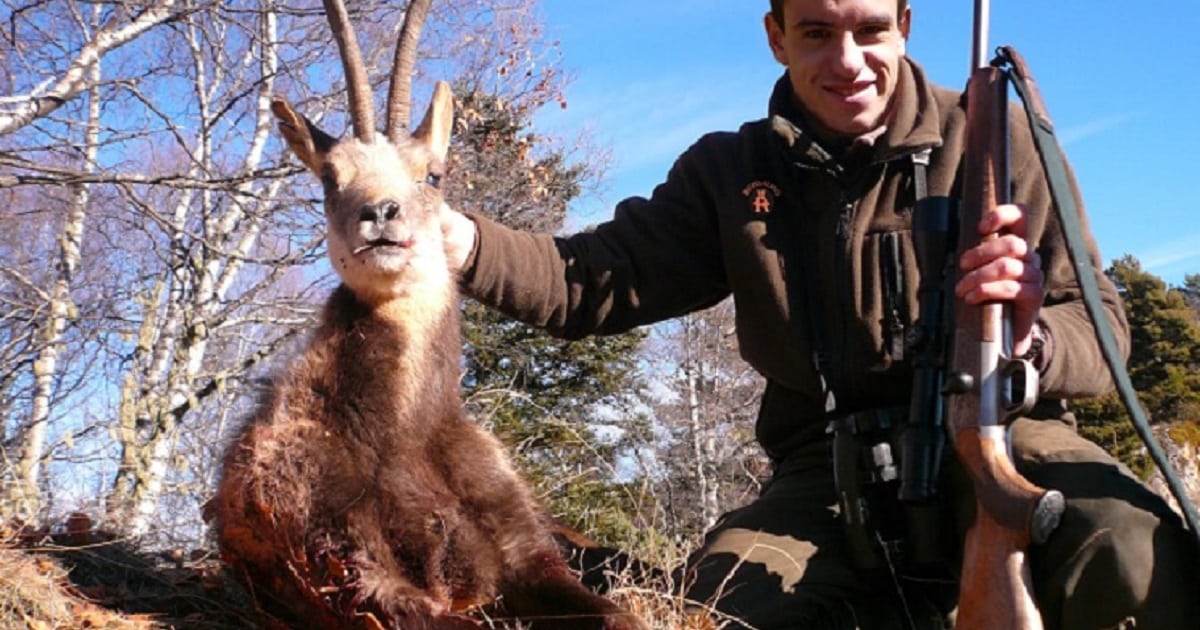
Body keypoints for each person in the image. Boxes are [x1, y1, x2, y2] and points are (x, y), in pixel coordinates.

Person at [439, 0, 1199, 627]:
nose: (847, 61)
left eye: (870, 30)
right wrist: (455, 240)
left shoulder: (999, 142)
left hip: (1007, 434)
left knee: (1131, 547)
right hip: (823, 473)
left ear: (905, 26)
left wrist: (1027, 343)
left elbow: (1102, 325)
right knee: (720, 611)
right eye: (816, 32)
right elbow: (589, 281)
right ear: (775, 37)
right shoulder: (729, 172)